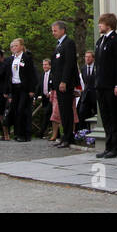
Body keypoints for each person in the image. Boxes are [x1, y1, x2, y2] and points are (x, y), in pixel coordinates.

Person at [92, 14, 117, 158]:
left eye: (102, 23)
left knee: (114, 115)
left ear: (109, 25)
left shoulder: (115, 40)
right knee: (105, 116)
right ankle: (108, 145)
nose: (99, 26)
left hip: (112, 85)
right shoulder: (100, 41)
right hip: (101, 84)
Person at [48, 21, 78, 149]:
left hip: (64, 83)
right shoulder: (59, 45)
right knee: (62, 111)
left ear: (62, 30)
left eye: (55, 30)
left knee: (66, 110)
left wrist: (64, 81)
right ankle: (64, 136)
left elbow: (69, 64)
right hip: (57, 83)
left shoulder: (68, 43)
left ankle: (69, 137)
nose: (53, 33)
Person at [5, 39, 33, 142]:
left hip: (24, 88)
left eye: (16, 46)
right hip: (14, 87)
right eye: (12, 47)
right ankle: (17, 133)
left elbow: (31, 75)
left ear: (21, 46)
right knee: (15, 110)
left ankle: (26, 134)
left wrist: (31, 89)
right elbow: (7, 76)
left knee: (23, 110)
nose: (14, 48)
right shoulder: (10, 60)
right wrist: (7, 91)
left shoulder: (27, 58)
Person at [78, 51, 98, 129]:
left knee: (96, 113)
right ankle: (83, 132)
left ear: (93, 58)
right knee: (82, 112)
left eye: (89, 57)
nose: (87, 58)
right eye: (86, 57)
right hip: (86, 94)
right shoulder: (83, 68)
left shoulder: (97, 67)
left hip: (95, 94)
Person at [34, 58, 53, 139]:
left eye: (46, 65)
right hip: (44, 98)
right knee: (48, 115)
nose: (44, 66)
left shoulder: (53, 74)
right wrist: (35, 97)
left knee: (47, 113)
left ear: (50, 66)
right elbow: (38, 87)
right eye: (43, 65)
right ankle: (56, 133)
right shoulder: (42, 75)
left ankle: (41, 132)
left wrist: (50, 93)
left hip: (52, 98)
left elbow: (54, 85)